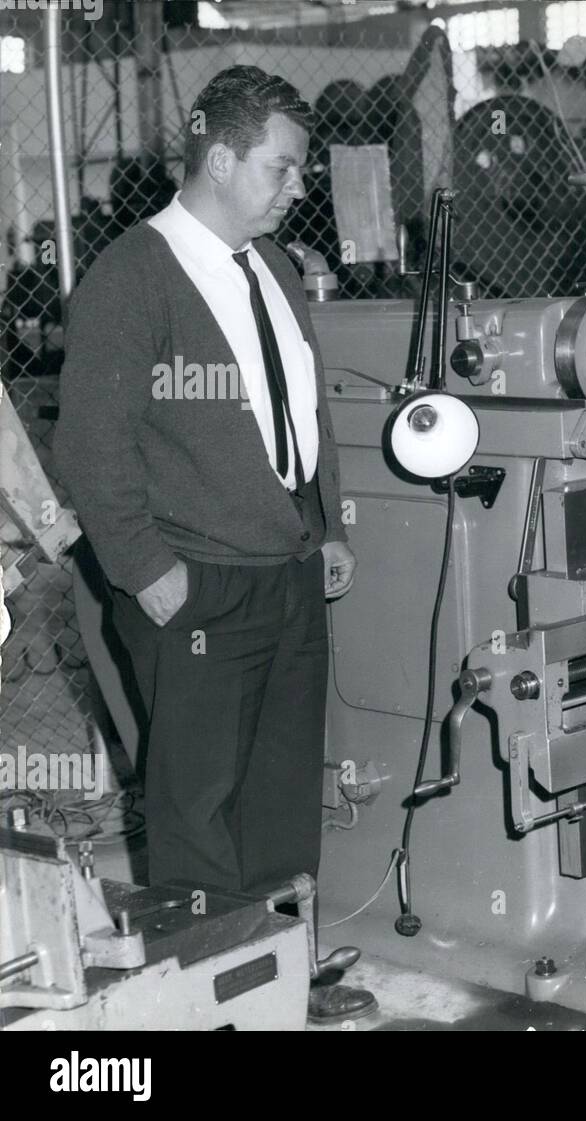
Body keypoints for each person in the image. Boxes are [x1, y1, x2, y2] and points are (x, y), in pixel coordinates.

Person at [55, 66, 375, 1024]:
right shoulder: (132, 276)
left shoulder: (271, 266)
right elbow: (90, 443)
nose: (296, 186)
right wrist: (147, 574)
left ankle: (285, 980)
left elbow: (303, 410)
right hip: (194, 588)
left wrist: (326, 525)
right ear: (222, 156)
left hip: (283, 576)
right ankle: (211, 1003)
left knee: (279, 796)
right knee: (198, 813)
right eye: (282, 168)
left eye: (300, 171)